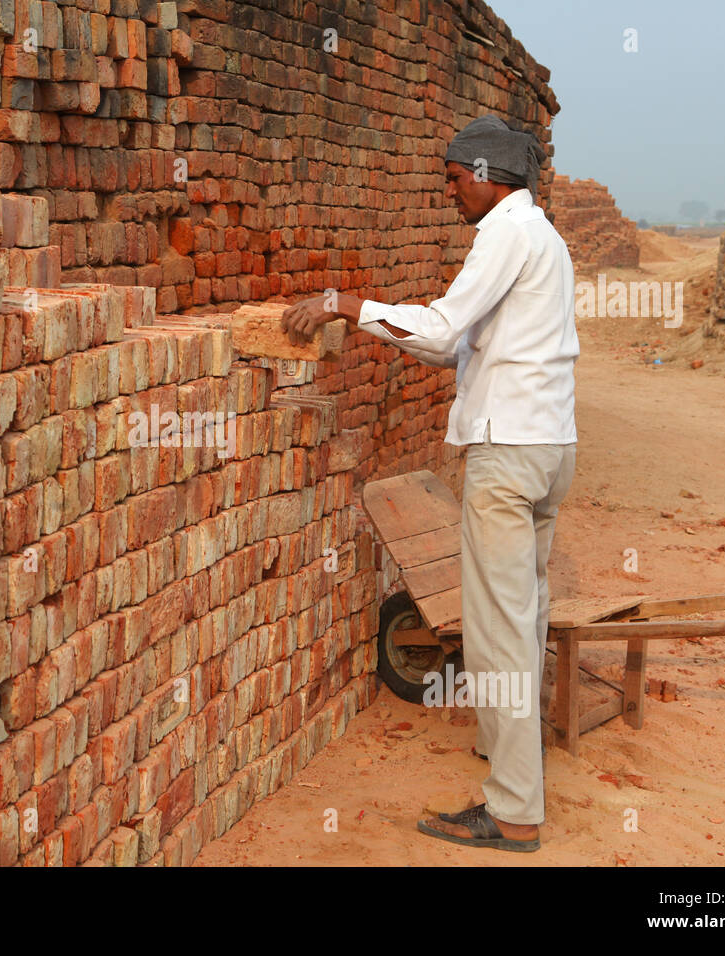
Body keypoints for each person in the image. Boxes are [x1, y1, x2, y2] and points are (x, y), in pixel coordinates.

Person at [283, 114, 579, 852]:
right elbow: (464, 350)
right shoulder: (543, 237)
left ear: (487, 174)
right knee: (527, 612)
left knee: (497, 632)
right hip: (548, 447)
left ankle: (513, 813)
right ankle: (516, 761)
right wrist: (381, 325)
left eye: (454, 178)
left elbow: (446, 330)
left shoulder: (505, 232)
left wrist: (348, 306)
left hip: (508, 455)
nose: (449, 193)